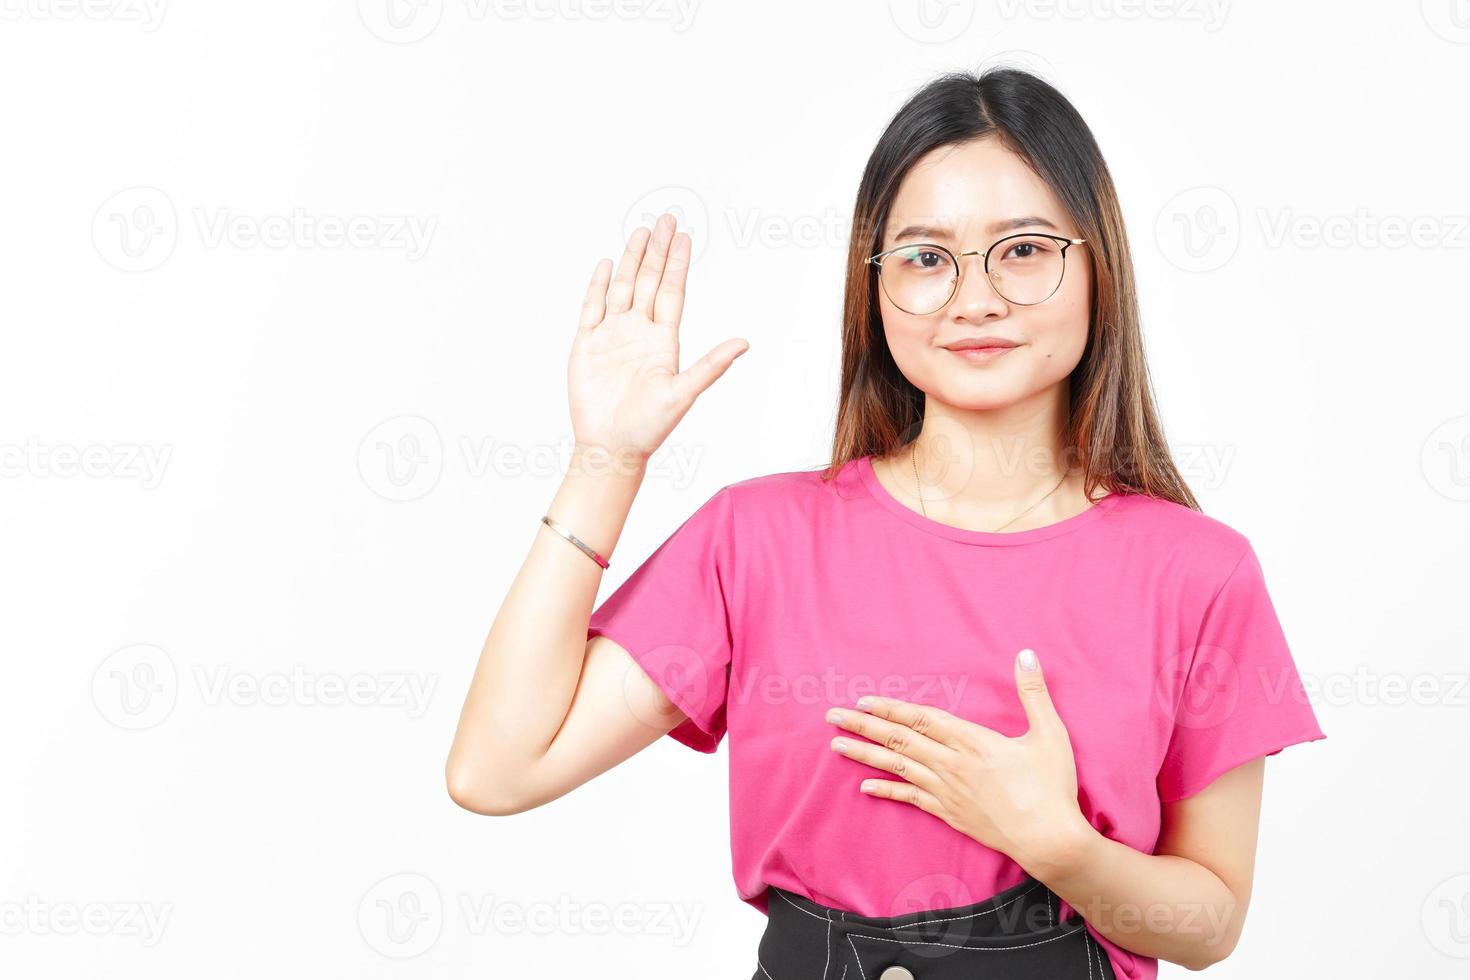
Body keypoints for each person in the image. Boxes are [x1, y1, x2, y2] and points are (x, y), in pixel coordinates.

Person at [445, 66, 1326, 980]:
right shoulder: (758, 539)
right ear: (875, 287)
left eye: (1024, 250)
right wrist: (607, 460)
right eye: (925, 257)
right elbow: (498, 769)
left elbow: (1210, 924)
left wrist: (1059, 847)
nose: (973, 299)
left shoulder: (1197, 572)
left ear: (1098, 264)